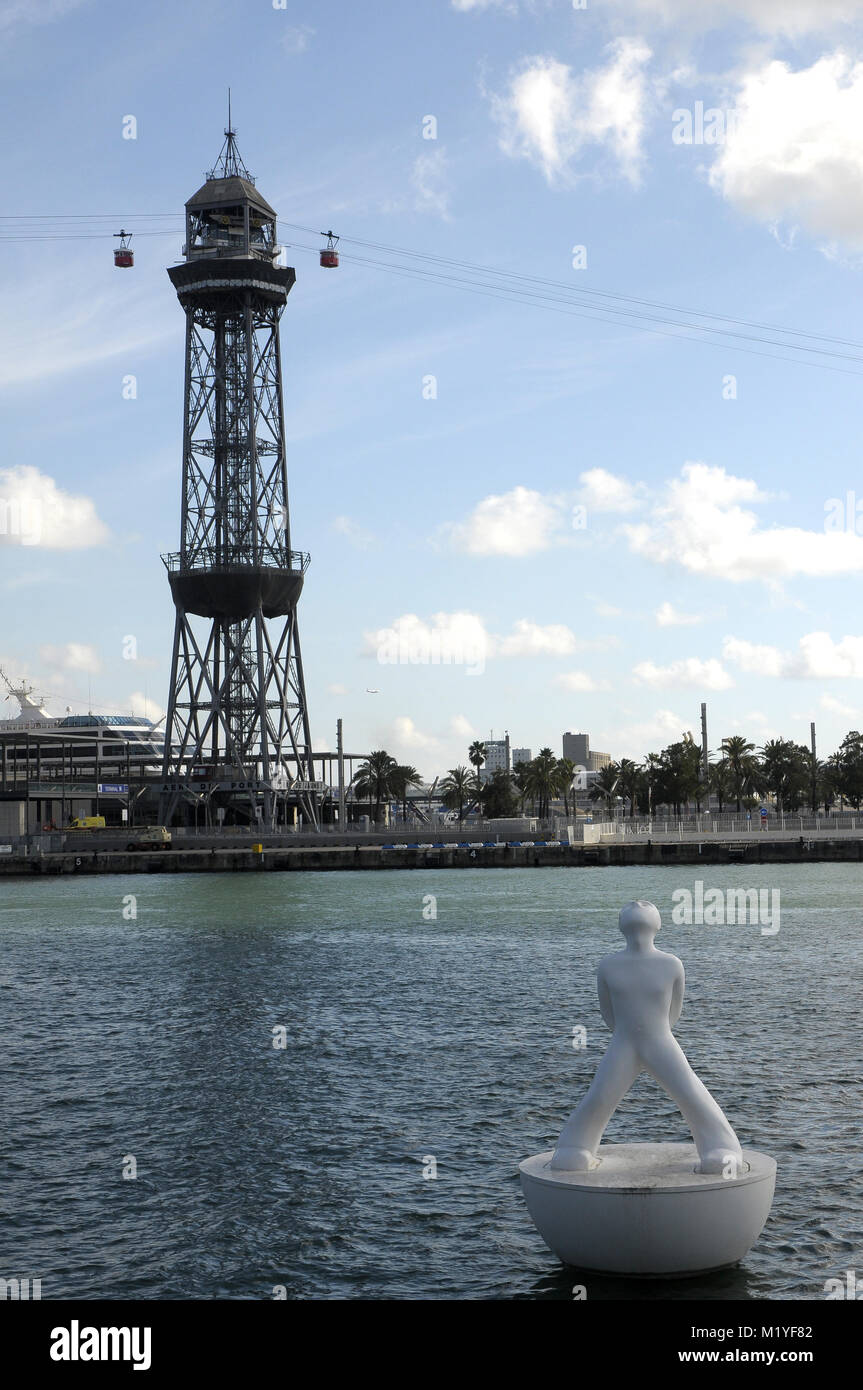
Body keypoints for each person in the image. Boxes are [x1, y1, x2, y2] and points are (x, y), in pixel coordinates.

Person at [551, 900, 743, 1176]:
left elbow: (608, 1014)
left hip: (633, 1040)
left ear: (621, 927)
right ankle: (720, 1149)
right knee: (686, 1092)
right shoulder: (662, 964)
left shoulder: (623, 965)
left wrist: (633, 1033)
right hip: (652, 1039)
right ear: (658, 925)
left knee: (606, 1095)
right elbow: (674, 1012)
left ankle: (574, 1148)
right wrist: (650, 1033)